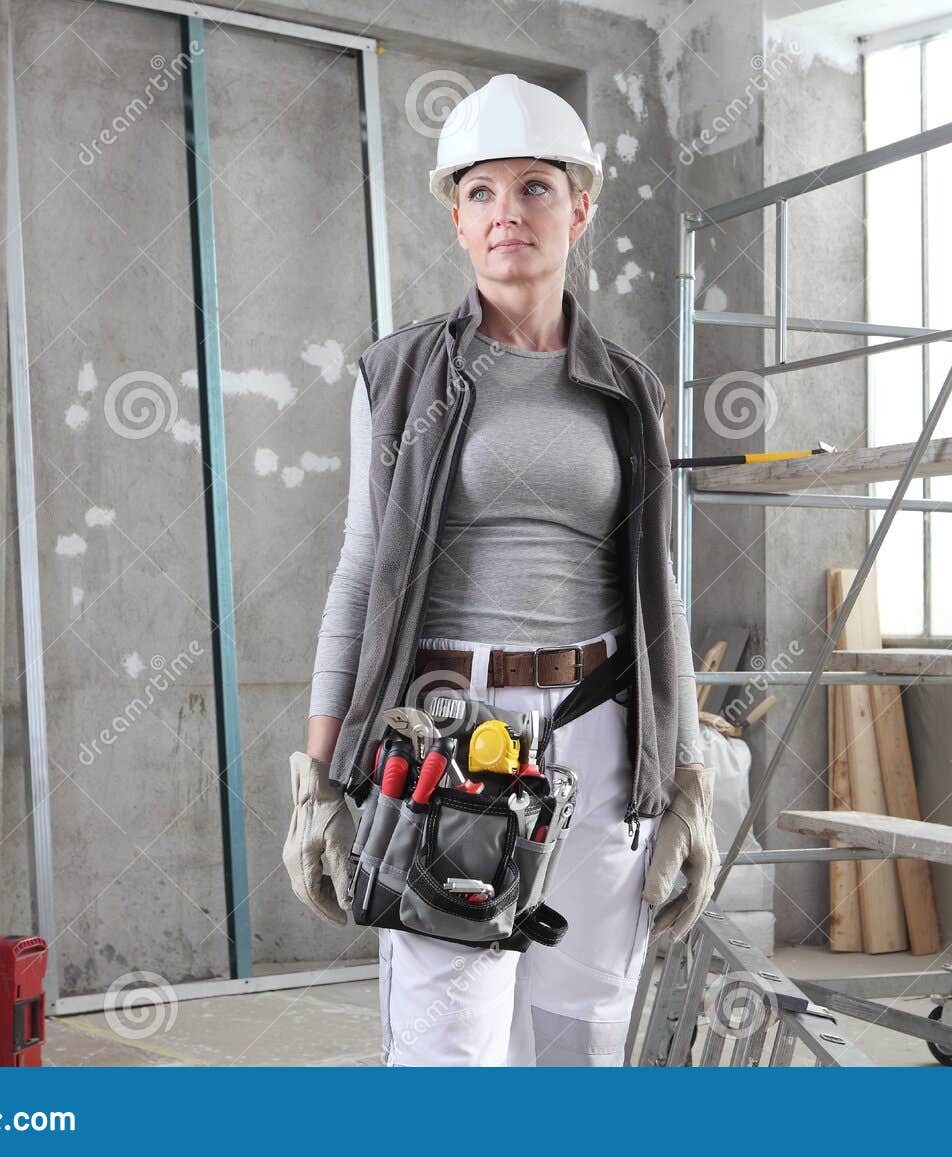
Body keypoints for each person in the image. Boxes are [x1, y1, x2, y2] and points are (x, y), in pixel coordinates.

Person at [282, 73, 718, 1066]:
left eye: (533, 187)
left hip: (599, 731)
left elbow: (661, 591)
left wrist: (686, 781)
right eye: (480, 192)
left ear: (580, 206)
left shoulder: (626, 390)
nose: (506, 213)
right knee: (451, 1060)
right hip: (450, 746)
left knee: (578, 1048)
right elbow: (358, 575)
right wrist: (316, 778)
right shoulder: (397, 379)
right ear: (456, 217)